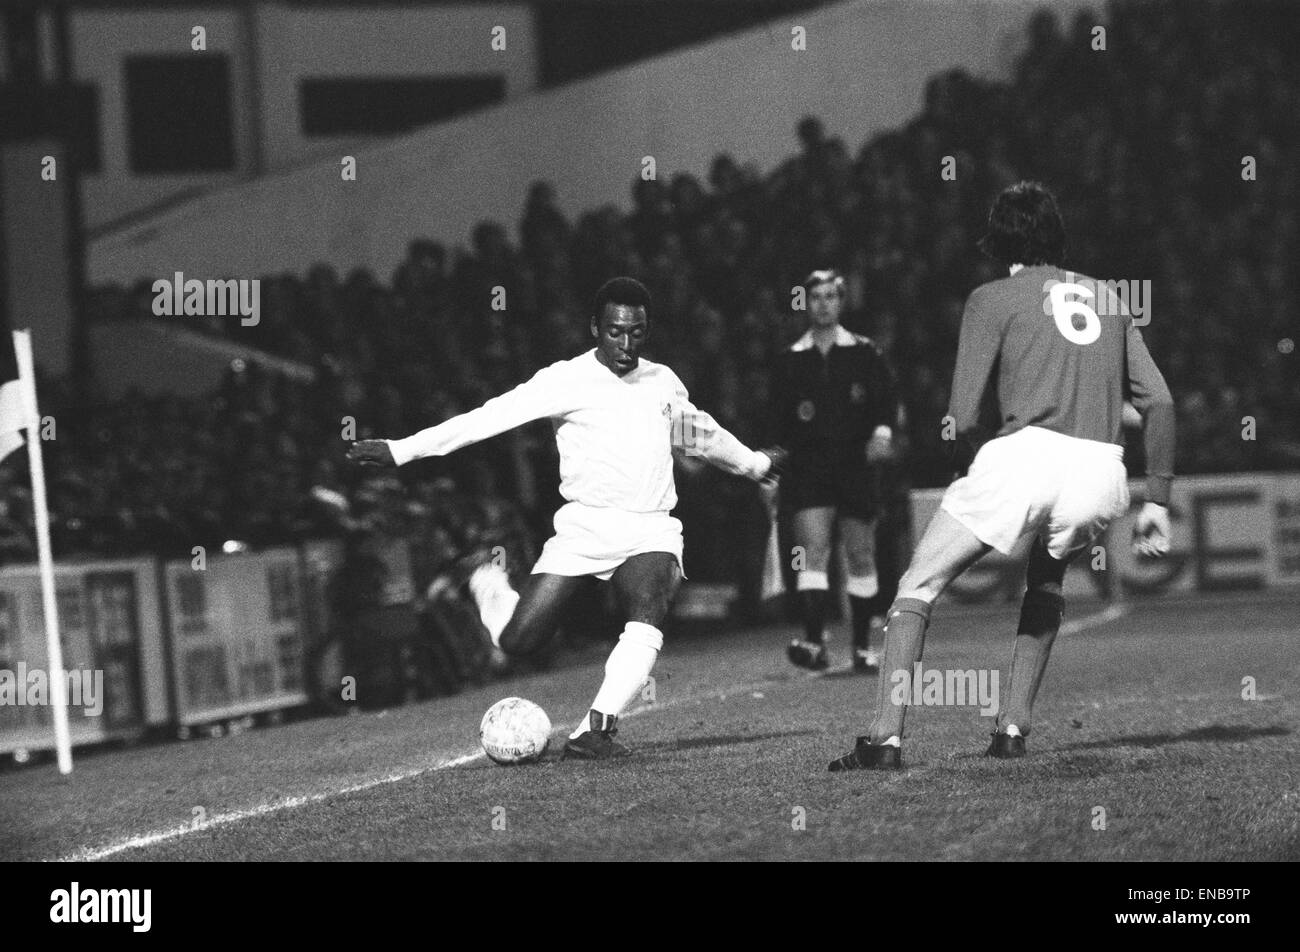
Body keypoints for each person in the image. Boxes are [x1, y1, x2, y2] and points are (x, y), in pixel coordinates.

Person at [348, 277, 785, 759]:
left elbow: (701, 434)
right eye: (615, 332)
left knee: (648, 611)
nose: (625, 344)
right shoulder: (563, 380)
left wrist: (755, 465)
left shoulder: (662, 382)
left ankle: (594, 730)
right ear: (595, 327)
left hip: (651, 526)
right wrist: (402, 450)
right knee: (519, 641)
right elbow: (485, 419)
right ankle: (489, 585)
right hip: (584, 528)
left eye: (636, 333)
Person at [829, 181, 1175, 770]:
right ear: (1057, 236)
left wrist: (972, 458)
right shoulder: (1112, 298)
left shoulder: (992, 298)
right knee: (1045, 582)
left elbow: (963, 414)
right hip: (1100, 471)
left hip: (1025, 456)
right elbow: (1160, 403)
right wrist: (1158, 500)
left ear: (997, 240)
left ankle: (885, 739)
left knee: (918, 584)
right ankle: (1012, 729)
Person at [772, 269, 899, 673]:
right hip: (809, 467)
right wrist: (773, 468)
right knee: (812, 552)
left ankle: (862, 647)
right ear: (805, 303)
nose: (823, 304)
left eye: (830, 296)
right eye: (815, 297)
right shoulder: (791, 359)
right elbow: (779, 422)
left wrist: (881, 434)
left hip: (855, 466)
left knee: (861, 554)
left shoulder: (865, 352)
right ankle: (814, 643)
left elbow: (886, 403)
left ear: (841, 302)